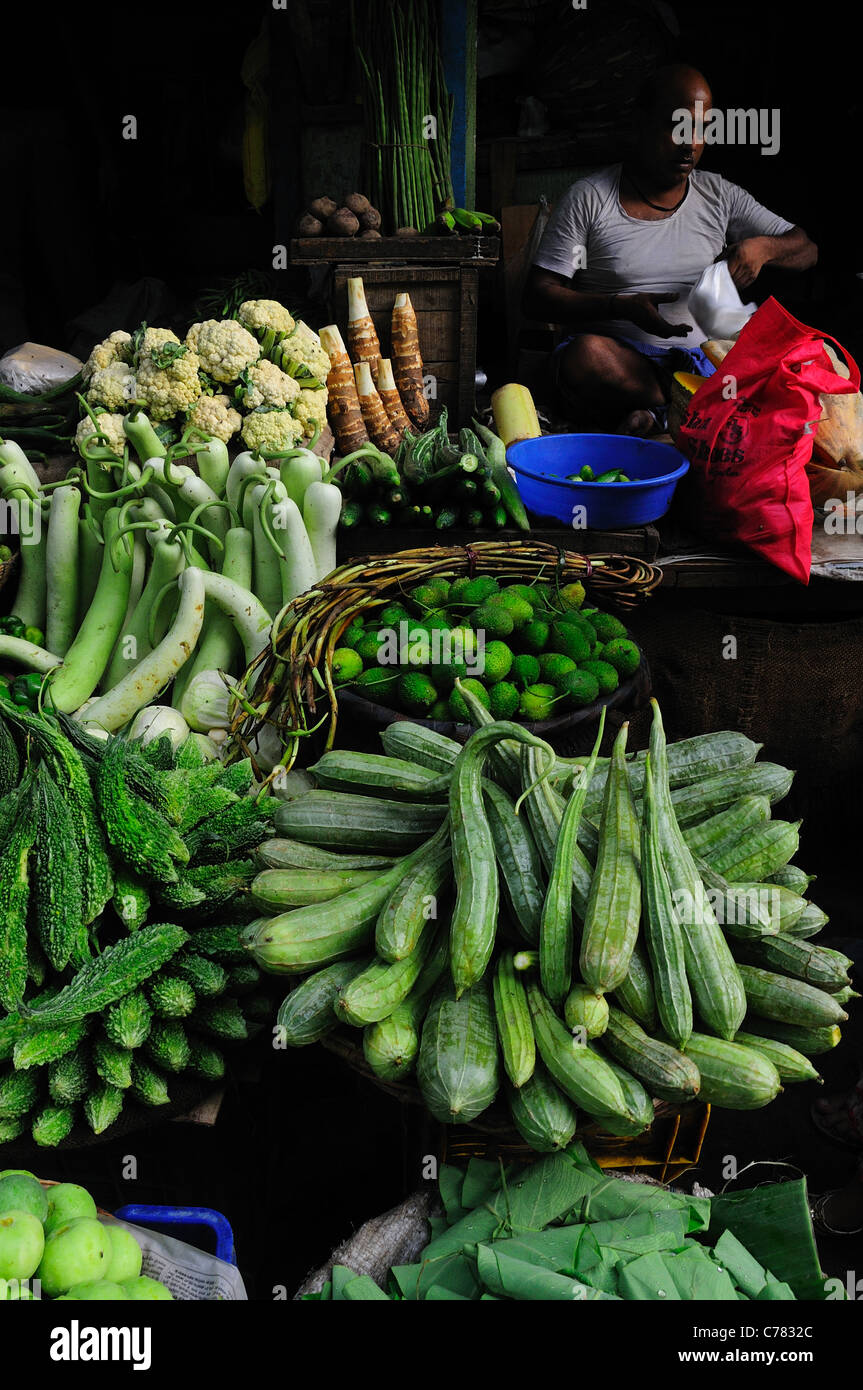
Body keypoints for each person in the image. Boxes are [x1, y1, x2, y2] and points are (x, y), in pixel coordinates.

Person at [522, 64, 817, 435]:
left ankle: (659, 413)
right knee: (585, 357)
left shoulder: (719, 195)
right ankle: (693, 406)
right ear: (640, 122)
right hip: (622, 366)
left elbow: (806, 249)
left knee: (798, 356)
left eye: (701, 130)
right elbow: (536, 297)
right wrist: (619, 306)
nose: (690, 143)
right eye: (676, 126)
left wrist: (763, 248)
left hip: (701, 363)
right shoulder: (591, 198)